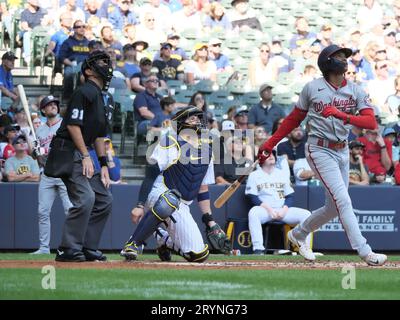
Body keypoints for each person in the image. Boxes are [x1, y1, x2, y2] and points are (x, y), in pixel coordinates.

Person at [258, 44, 387, 266]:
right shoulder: (312, 88)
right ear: (326, 62)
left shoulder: (355, 89)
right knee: (343, 201)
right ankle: (365, 252)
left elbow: (370, 122)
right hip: (318, 148)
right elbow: (293, 119)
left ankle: (298, 235)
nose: (343, 59)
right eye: (338, 56)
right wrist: (270, 143)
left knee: (333, 207)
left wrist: (341, 115)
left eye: (344, 56)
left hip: (342, 149)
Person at [120, 106, 231, 262]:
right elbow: (151, 175)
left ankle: (164, 240)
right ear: (181, 123)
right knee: (169, 201)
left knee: (198, 255)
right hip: (161, 192)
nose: (197, 121)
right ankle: (134, 243)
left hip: (183, 204)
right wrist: (140, 205)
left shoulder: (207, 151)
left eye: (198, 118)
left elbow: (203, 189)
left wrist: (209, 220)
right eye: (192, 118)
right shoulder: (170, 141)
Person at [48, 50, 114, 262]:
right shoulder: (84, 91)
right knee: (86, 198)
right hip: (68, 150)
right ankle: (68, 248)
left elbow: (99, 136)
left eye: (106, 62)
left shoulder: (101, 97)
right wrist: (86, 156)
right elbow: (73, 126)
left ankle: (87, 247)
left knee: (104, 199)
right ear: (88, 70)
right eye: (101, 63)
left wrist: (103, 164)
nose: (106, 65)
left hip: (83, 151)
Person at [246, 150, 312, 254]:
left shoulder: (281, 174)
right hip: (265, 210)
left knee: (307, 214)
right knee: (253, 212)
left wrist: (284, 210)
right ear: (260, 159)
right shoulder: (254, 175)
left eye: (273, 154)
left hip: (282, 210)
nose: (271, 156)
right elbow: (252, 197)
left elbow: (289, 196)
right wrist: (269, 210)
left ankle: (305, 248)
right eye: (268, 155)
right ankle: (258, 249)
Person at [32, 96, 72, 255]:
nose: (53, 106)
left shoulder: (65, 124)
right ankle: (43, 248)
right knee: (42, 211)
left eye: (54, 103)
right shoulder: (39, 130)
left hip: (64, 172)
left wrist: (43, 152)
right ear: (43, 110)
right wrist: (36, 154)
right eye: (49, 105)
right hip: (47, 174)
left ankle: (70, 246)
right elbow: (39, 154)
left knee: (70, 211)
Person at [58, 20, 90, 101]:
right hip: (72, 65)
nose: (82, 28)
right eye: (79, 27)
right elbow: (61, 57)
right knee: (69, 73)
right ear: (74, 29)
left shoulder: (88, 43)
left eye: (83, 26)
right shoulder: (68, 42)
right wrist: (72, 65)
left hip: (86, 66)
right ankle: (67, 98)